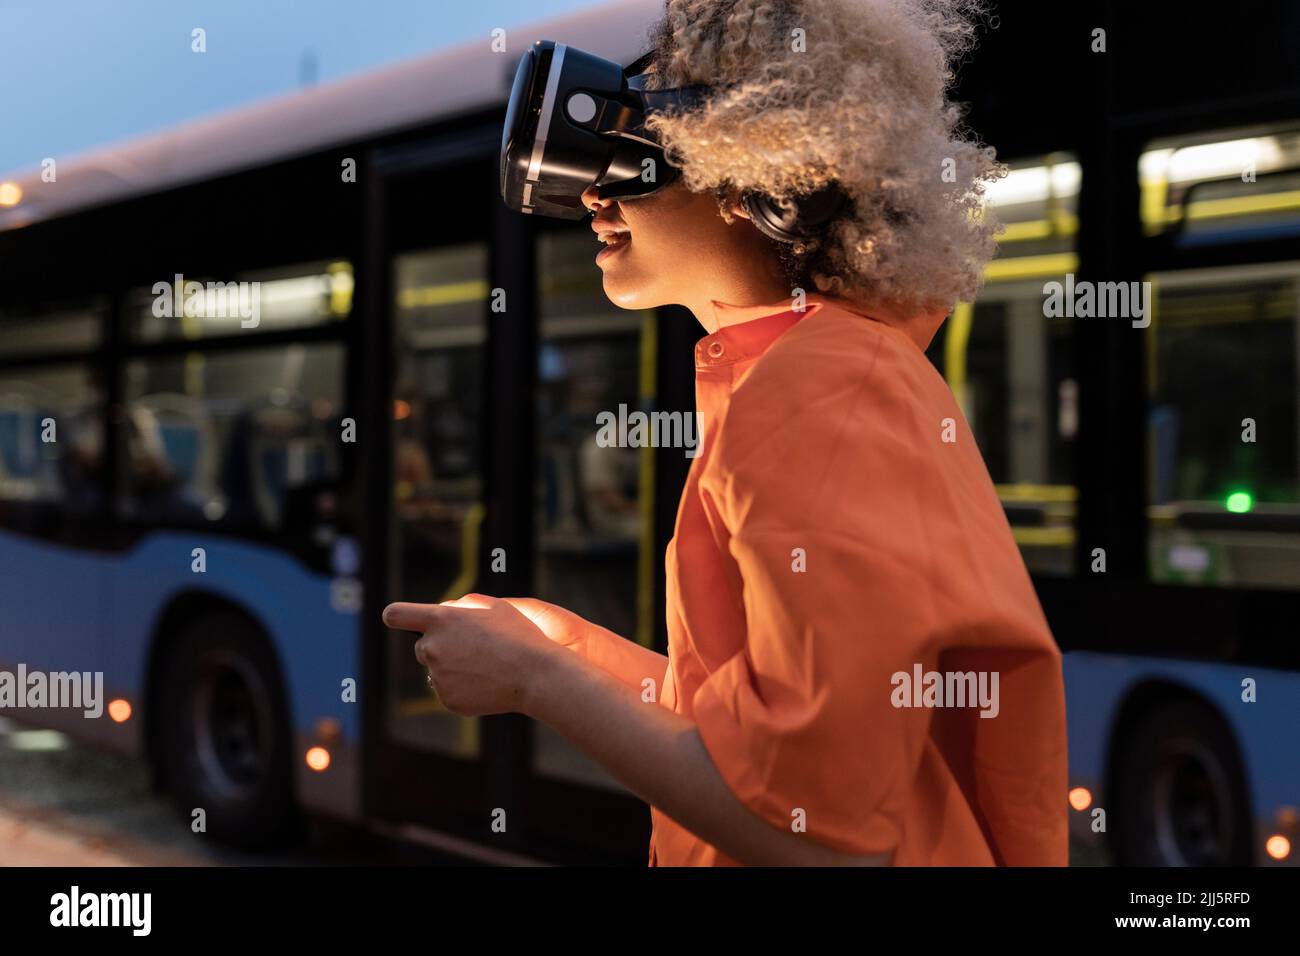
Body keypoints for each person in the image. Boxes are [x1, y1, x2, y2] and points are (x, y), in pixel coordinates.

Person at [384, 0, 1068, 866]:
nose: (592, 191)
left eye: (637, 155)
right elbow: (766, 736)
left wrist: (537, 682)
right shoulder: (828, 373)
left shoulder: (820, 392)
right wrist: (569, 652)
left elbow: (821, 841)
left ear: (764, 178)